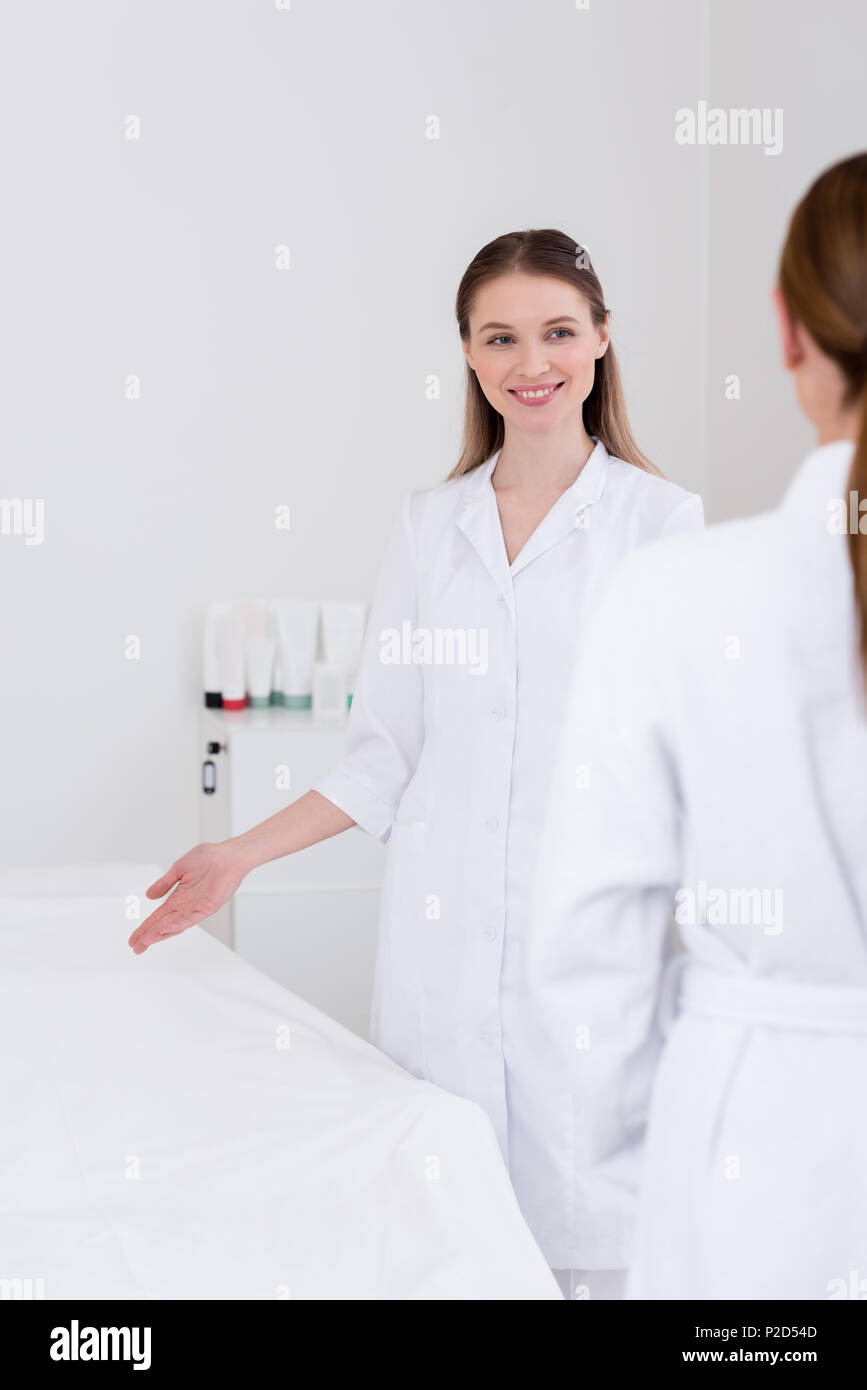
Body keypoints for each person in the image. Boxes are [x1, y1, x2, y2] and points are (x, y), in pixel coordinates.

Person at [129, 230, 703, 1297]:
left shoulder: (661, 526)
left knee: (599, 1255)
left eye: (558, 332)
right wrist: (238, 854)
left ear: (602, 341)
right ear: (472, 357)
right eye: (502, 338)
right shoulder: (429, 526)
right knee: (447, 1248)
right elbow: (383, 754)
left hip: (595, 962)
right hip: (441, 958)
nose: (533, 362)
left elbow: (692, 762)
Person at [525, 154, 867, 1299]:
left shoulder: (680, 590)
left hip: (749, 1167)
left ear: (788, 333)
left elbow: (586, 962)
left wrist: (646, 1194)